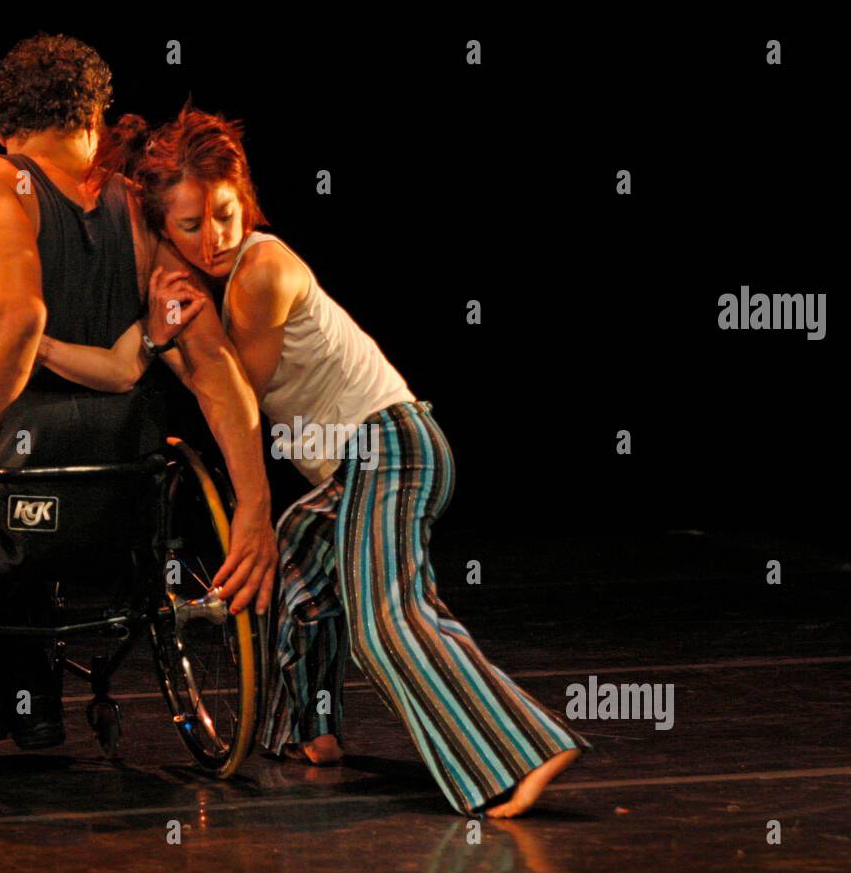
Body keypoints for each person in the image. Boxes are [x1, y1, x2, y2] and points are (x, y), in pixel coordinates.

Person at [33, 106, 592, 817]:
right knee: (296, 573)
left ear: (246, 199)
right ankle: (311, 733)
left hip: (390, 446)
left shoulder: (263, 269)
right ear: (163, 227)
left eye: (227, 215)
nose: (216, 238)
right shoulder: (203, 277)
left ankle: (521, 749)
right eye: (191, 226)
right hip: (349, 469)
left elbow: (238, 390)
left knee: (384, 621)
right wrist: (46, 345)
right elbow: (122, 366)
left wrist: (168, 323)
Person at [0, 37, 277, 750]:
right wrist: (254, 504)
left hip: (15, 481)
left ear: (2, 130)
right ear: (96, 120)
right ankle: (35, 696)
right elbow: (214, 366)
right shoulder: (143, 210)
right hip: (122, 487)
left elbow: (20, 313)